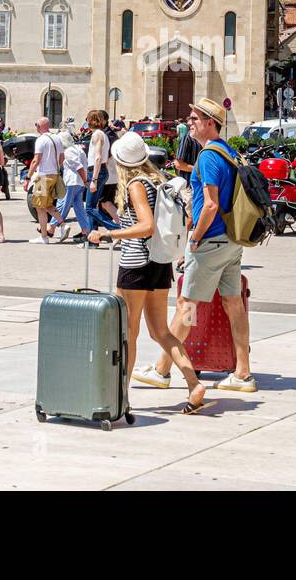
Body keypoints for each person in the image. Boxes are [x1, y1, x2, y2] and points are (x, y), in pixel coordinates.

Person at [135, 97, 256, 393]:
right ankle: (242, 373)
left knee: (186, 306)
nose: (189, 122)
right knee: (232, 303)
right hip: (231, 240)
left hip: (210, 241)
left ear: (209, 123)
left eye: (195, 118)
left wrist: (196, 237)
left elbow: (211, 204)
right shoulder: (228, 152)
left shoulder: (209, 157)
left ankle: (163, 369)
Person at [88, 131, 206, 414]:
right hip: (159, 264)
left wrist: (109, 234)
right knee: (161, 332)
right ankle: (193, 383)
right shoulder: (158, 180)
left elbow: (146, 225)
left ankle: (121, 395)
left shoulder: (136, 186)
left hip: (135, 265)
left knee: (127, 334)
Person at [27, 116, 67, 244]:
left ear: (39, 126)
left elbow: (36, 160)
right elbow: (61, 159)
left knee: (39, 207)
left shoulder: (41, 140)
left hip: (43, 176)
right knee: (48, 204)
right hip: (54, 174)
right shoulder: (57, 138)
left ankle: (44, 237)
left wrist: (28, 177)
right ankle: (63, 224)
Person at [84, 110, 116, 231]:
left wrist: (94, 180)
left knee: (89, 208)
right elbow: (106, 157)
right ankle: (93, 239)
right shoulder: (103, 134)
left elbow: (98, 157)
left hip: (96, 171)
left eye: (88, 119)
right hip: (102, 170)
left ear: (92, 121)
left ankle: (117, 229)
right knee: (93, 206)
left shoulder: (97, 134)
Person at [58, 131, 92, 244]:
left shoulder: (68, 151)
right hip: (79, 183)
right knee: (79, 209)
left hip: (72, 182)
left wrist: (85, 180)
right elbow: (84, 165)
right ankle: (86, 231)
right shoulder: (78, 149)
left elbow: (79, 167)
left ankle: (51, 228)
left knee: (64, 207)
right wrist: (85, 180)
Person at [173, 115, 201, 184]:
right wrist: (200, 171)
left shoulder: (201, 139)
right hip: (189, 185)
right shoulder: (187, 139)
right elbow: (178, 164)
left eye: (194, 119)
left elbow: (177, 133)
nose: (189, 123)